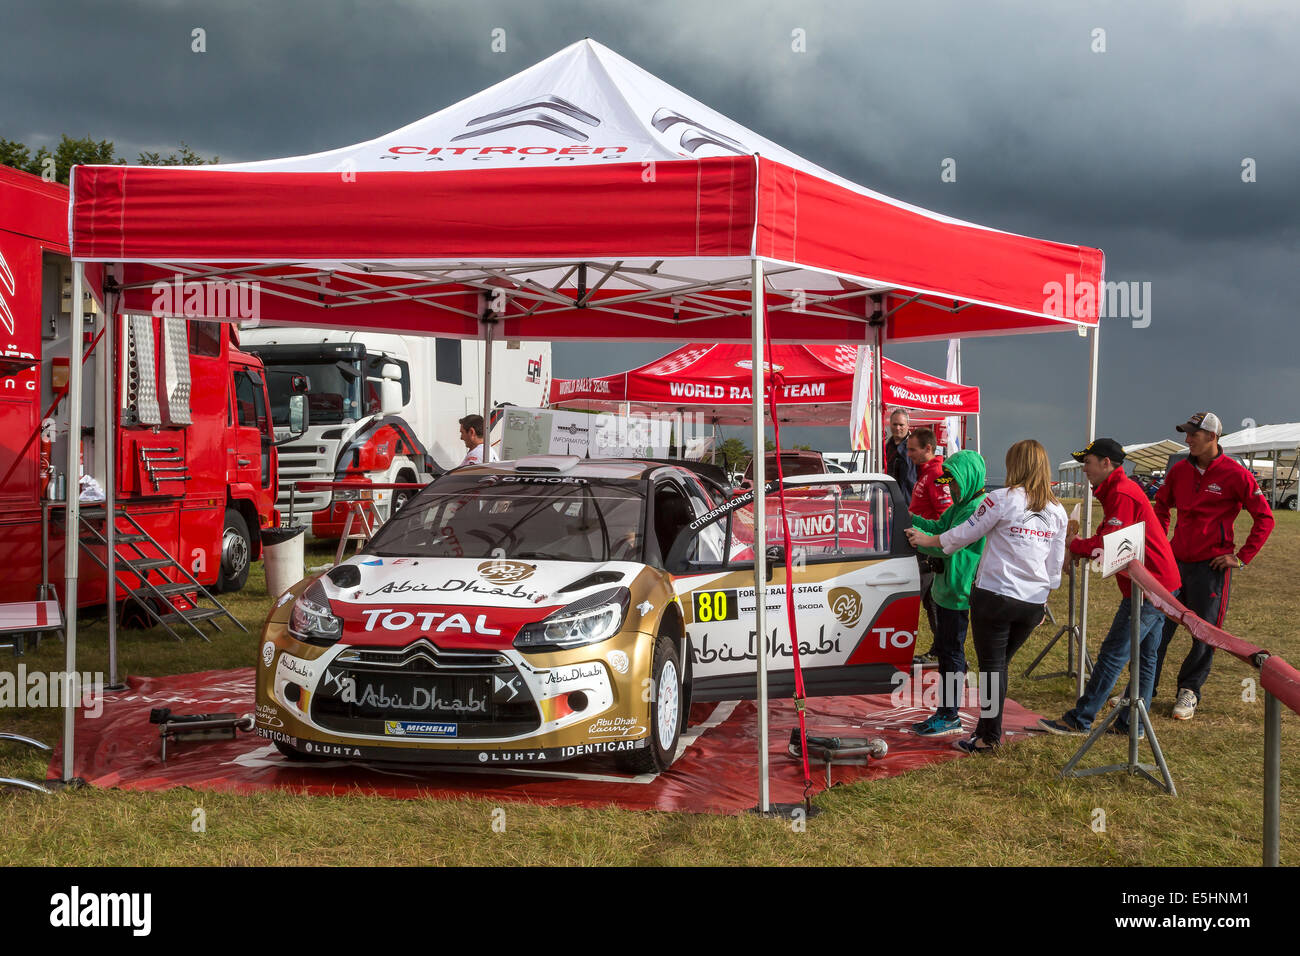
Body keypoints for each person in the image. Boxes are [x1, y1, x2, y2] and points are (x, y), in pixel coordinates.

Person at [907, 439, 1067, 753]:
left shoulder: (1001, 499)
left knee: (993, 670)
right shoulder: (1057, 510)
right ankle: (984, 730)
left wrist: (927, 539)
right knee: (998, 669)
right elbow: (1055, 564)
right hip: (1032, 603)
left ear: (1016, 466)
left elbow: (963, 534)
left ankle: (988, 738)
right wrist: (1044, 599)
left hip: (996, 597)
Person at [1037, 439, 1180, 737]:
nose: (1084, 469)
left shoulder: (1122, 492)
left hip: (1149, 587)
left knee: (1115, 653)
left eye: (1088, 462)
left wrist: (1076, 545)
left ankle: (1080, 719)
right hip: (1155, 583)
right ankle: (1133, 724)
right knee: (1145, 657)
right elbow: (1109, 535)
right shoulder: (1118, 491)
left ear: (1106, 463)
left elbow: (1110, 543)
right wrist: (1082, 548)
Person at [1153, 412, 1274, 720]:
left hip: (1212, 569)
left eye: (1193, 434)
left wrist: (1242, 556)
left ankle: (1189, 690)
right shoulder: (1179, 471)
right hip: (1174, 565)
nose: (1187, 439)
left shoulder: (1236, 474)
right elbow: (1162, 506)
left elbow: (1265, 518)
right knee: (1156, 628)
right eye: (1186, 433)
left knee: (1205, 633)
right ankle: (1143, 688)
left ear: (1212, 437)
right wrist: (1162, 543)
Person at [906, 450, 987, 736]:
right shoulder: (959, 506)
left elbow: (945, 544)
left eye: (953, 481)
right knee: (946, 652)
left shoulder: (976, 509)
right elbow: (939, 528)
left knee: (952, 653)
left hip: (959, 592)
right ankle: (945, 711)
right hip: (947, 590)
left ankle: (949, 714)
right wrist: (910, 518)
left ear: (967, 478)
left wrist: (918, 541)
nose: (949, 488)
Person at [907, 426, 953, 665]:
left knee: (931, 602)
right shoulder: (926, 472)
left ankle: (945, 651)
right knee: (930, 603)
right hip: (922, 545)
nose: (909, 454)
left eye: (913, 449)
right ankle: (941, 649)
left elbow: (944, 516)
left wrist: (929, 541)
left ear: (928, 448)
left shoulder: (936, 472)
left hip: (927, 549)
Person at [884, 407, 917, 500]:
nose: (897, 428)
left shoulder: (916, 446)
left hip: (909, 503)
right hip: (888, 500)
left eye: (901, 425)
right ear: (890, 424)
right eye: (895, 424)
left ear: (908, 425)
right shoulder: (885, 447)